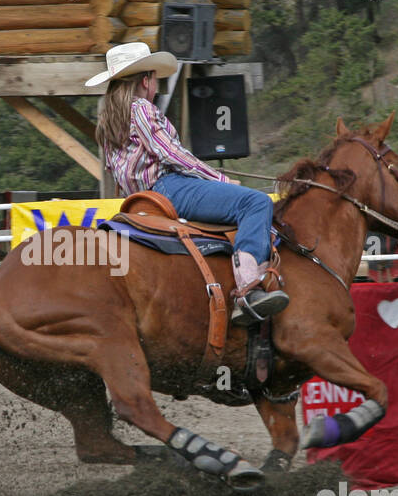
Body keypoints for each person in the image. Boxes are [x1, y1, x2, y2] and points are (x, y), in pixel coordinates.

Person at [86, 43, 289, 326]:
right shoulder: (141, 108)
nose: (155, 84)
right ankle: (248, 289)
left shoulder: (107, 121)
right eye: (154, 78)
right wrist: (219, 177)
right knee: (255, 202)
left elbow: (115, 172)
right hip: (168, 188)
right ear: (145, 80)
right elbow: (172, 154)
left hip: (140, 199)